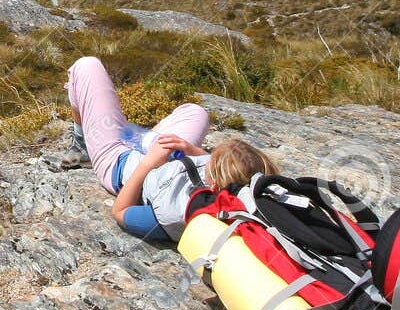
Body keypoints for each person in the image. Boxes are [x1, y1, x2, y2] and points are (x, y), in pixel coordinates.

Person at [66, 56, 279, 242]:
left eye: (211, 159)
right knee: (195, 112)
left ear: (213, 181)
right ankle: (130, 133)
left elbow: (120, 211)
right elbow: (209, 168)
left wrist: (147, 163)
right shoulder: (228, 189)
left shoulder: (175, 212)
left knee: (86, 66)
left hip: (117, 161)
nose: (206, 157)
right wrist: (190, 149)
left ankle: (83, 142)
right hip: (160, 154)